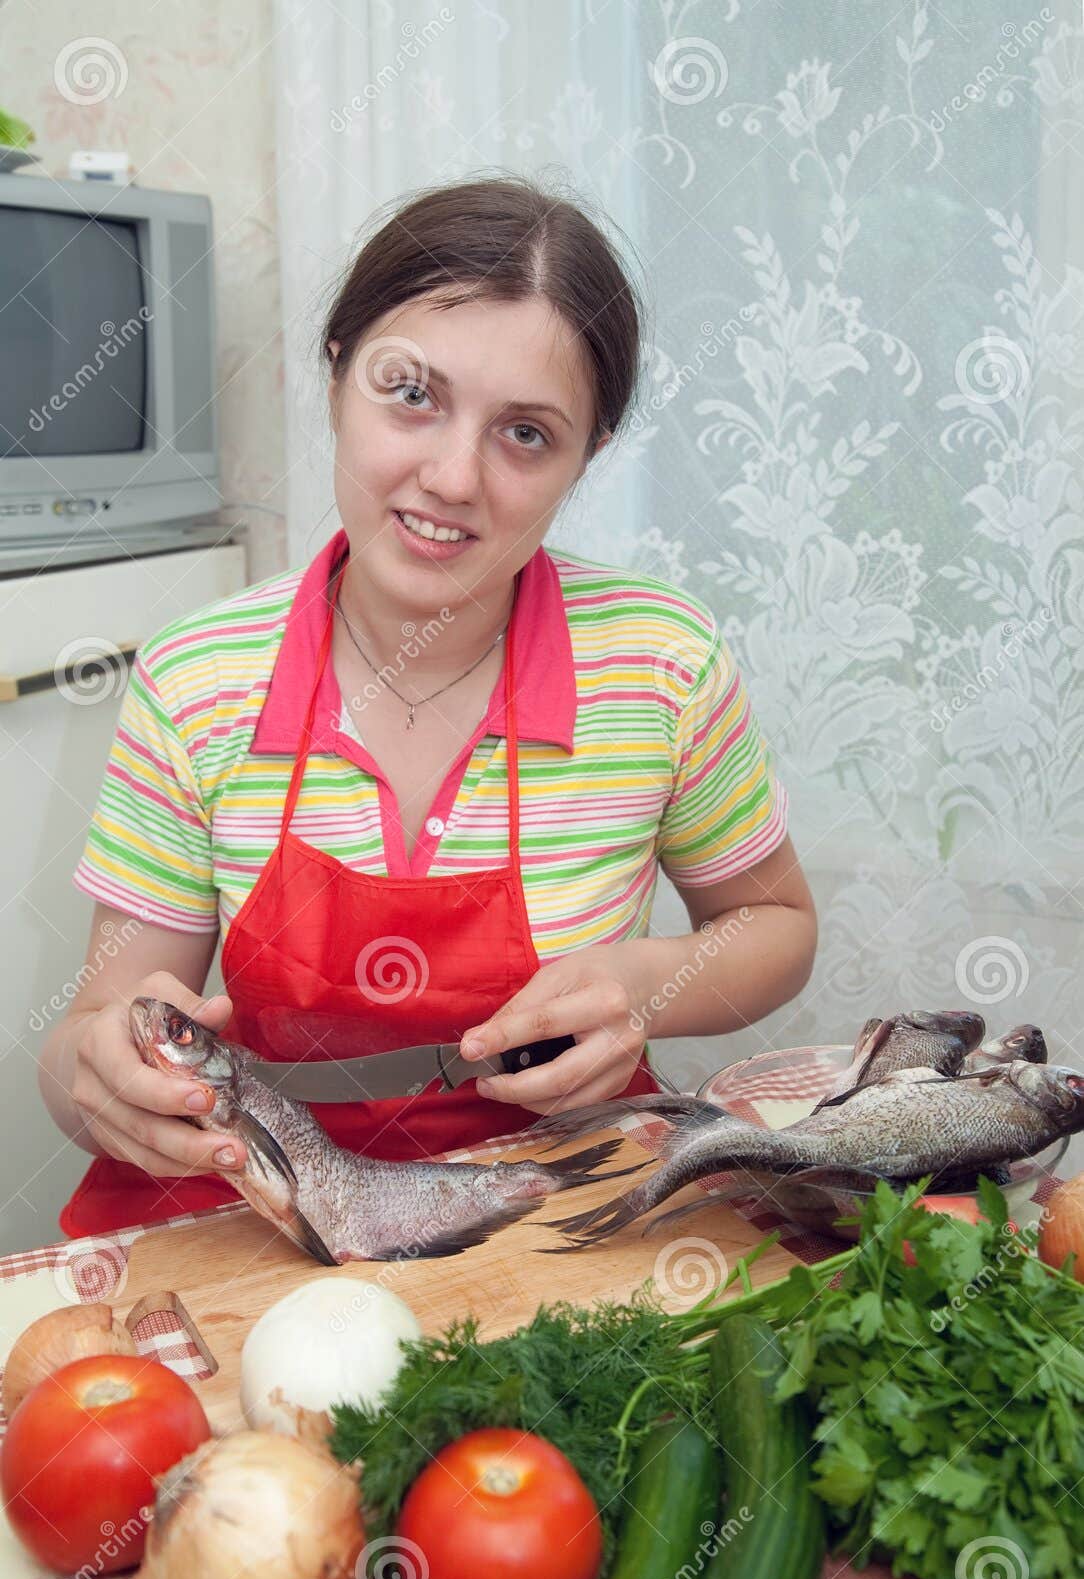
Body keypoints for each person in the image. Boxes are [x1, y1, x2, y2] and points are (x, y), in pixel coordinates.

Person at [38, 174, 817, 1239]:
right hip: (273, 1210)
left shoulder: (659, 662)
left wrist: (648, 983)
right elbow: (93, 1029)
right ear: (334, 375)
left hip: (560, 1205)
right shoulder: (196, 680)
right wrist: (95, 1074)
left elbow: (777, 926)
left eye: (526, 434)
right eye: (411, 395)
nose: (453, 476)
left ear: (583, 461)